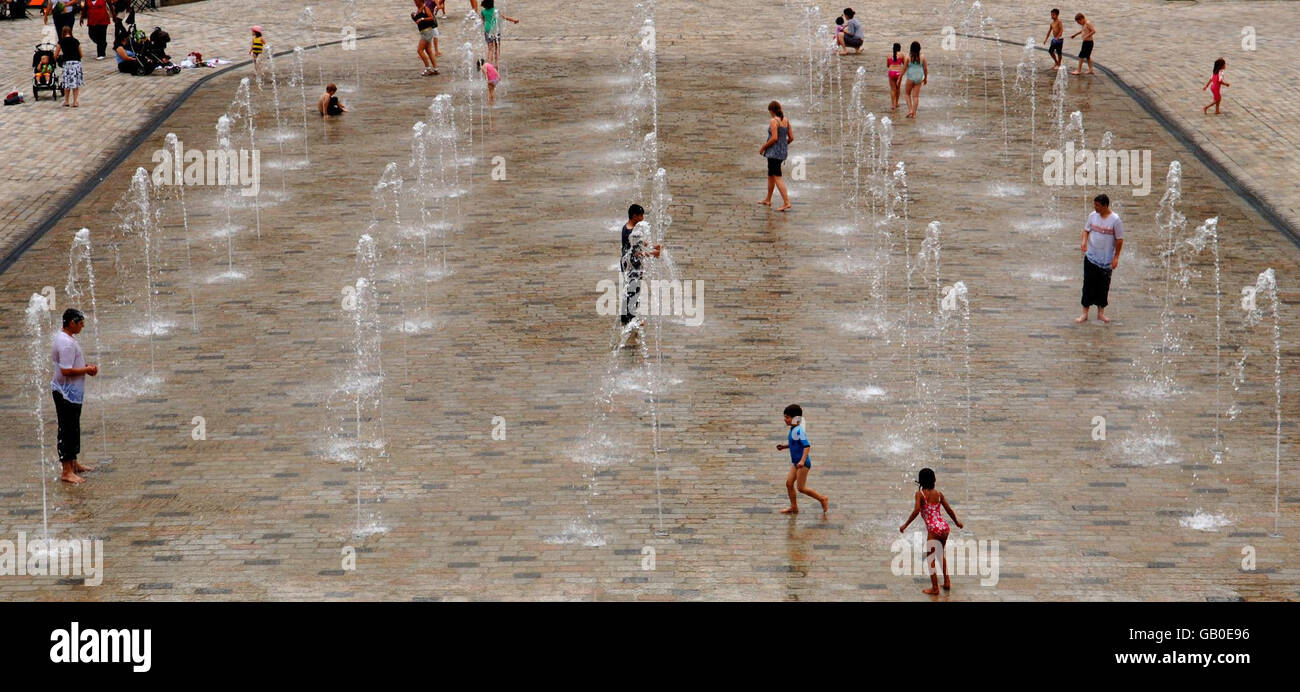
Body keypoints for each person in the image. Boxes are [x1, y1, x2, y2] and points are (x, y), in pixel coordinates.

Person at [51, 309, 98, 485]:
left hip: (72, 393)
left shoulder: (67, 339)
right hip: (65, 394)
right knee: (67, 429)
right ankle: (66, 471)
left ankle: (74, 462)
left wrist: (85, 366)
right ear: (72, 322)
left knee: (74, 427)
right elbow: (66, 370)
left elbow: (70, 364)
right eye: (80, 323)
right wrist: (86, 370)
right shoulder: (66, 343)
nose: (83, 326)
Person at [899, 468, 963, 594]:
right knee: (940, 555)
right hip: (944, 528)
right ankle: (947, 582)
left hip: (933, 530)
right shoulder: (938, 494)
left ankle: (935, 588)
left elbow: (917, 510)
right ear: (934, 479)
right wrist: (956, 522)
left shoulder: (920, 495)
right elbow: (949, 509)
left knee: (930, 559)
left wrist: (905, 525)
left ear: (921, 481)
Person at [1076, 193, 1124, 324]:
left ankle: (1100, 313)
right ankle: (1084, 313)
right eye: (1094, 205)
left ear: (1105, 206)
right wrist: (1084, 241)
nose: (1095, 207)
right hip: (1091, 257)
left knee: (1103, 287)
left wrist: (1116, 257)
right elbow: (1086, 230)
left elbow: (1119, 240)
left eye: (1097, 205)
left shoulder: (1115, 220)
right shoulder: (1092, 216)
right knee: (1087, 285)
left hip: (1106, 260)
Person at [775, 404, 829, 517]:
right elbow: (795, 444)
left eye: (787, 417)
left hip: (802, 464)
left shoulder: (799, 431)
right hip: (796, 463)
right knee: (789, 484)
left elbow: (807, 446)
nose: (785, 419)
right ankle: (794, 507)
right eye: (785, 417)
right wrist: (784, 446)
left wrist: (802, 461)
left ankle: (822, 499)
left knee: (801, 488)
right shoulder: (793, 428)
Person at [619, 204, 662, 330]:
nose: (643, 218)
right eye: (641, 215)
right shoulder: (630, 231)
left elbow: (640, 243)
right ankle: (631, 320)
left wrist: (653, 246)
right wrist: (652, 253)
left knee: (630, 290)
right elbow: (635, 253)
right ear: (634, 216)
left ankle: (625, 317)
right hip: (632, 265)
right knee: (633, 292)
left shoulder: (629, 228)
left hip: (629, 264)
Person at [758, 100, 793, 211]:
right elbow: (791, 137)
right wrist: (783, 145)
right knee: (771, 175)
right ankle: (768, 199)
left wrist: (763, 147)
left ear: (771, 111)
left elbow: (774, 138)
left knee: (777, 177)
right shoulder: (786, 120)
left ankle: (787, 202)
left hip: (773, 153)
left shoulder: (774, 121)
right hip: (781, 152)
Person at [480, 0, 519, 65]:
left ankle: (489, 65)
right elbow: (504, 17)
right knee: (497, 48)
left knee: (490, 49)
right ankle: (496, 65)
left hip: (487, 30)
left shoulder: (483, 12)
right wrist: (514, 20)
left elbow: (483, 22)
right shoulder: (496, 10)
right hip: (495, 30)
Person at [54, 26, 82, 107]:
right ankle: (75, 102)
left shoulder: (61, 41)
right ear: (70, 32)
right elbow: (81, 54)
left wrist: (57, 58)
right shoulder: (76, 41)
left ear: (62, 33)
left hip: (67, 64)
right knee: (75, 84)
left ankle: (66, 101)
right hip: (76, 63)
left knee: (67, 83)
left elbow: (55, 54)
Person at [412, 0, 439, 76]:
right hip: (423, 32)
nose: (415, 2)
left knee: (419, 50)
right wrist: (414, 18)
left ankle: (428, 69)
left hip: (427, 32)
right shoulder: (418, 9)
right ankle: (436, 69)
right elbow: (418, 22)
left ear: (420, 1)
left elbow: (431, 17)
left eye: (416, 1)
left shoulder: (425, 8)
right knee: (429, 51)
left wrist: (423, 19)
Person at [902, 40, 927, 118]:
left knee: (907, 94)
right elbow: (925, 68)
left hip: (910, 77)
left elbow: (904, 69)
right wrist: (925, 78)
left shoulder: (907, 57)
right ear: (919, 49)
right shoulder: (922, 57)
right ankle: (914, 114)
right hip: (919, 78)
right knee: (915, 96)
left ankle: (910, 110)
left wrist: (900, 77)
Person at [886, 42, 904, 110]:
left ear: (893, 48)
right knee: (898, 88)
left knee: (893, 89)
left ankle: (892, 105)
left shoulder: (888, 55)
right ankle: (896, 103)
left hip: (891, 73)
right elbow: (905, 64)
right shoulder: (901, 55)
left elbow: (888, 65)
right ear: (900, 48)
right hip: (898, 73)